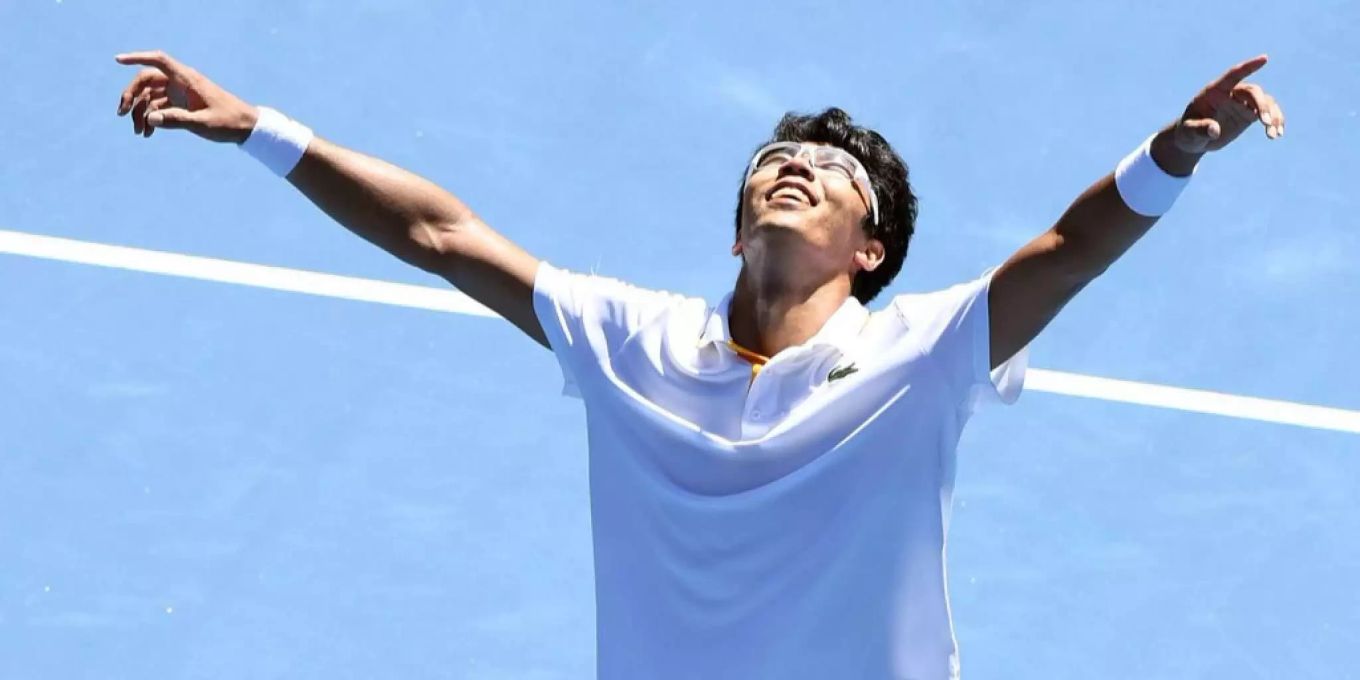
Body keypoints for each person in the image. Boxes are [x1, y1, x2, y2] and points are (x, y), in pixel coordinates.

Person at [114, 50, 1285, 680]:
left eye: (830, 175)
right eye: (772, 160)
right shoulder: (630, 339)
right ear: (736, 228)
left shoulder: (922, 351)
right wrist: (267, 131)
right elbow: (439, 235)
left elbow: (1071, 248)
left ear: (870, 250)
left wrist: (1172, 151)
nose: (792, 168)